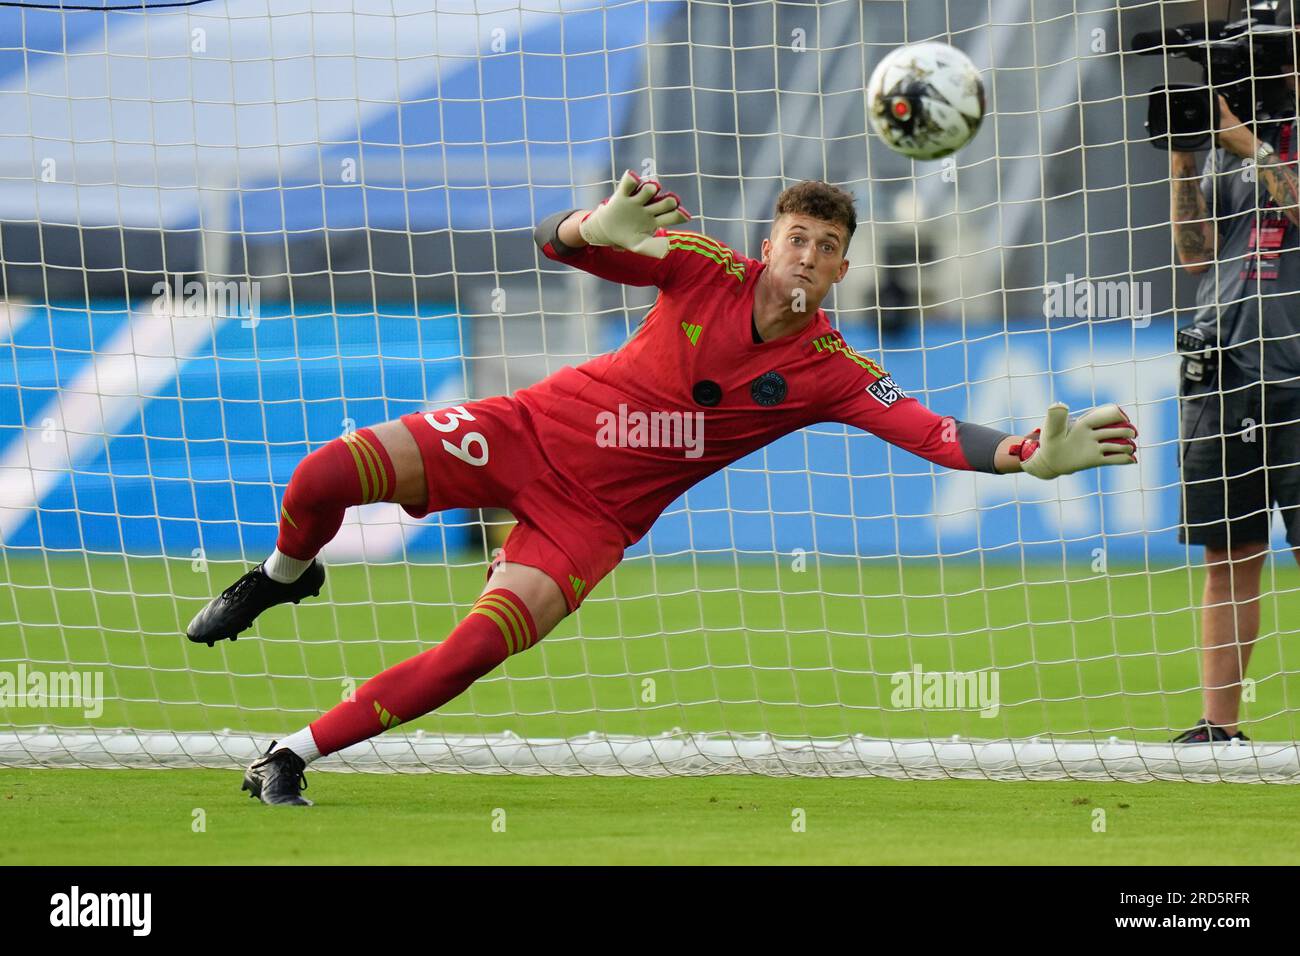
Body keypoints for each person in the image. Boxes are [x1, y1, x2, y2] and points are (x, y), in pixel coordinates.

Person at [186, 172, 1137, 804]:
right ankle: (282, 572)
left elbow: (929, 429)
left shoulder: (833, 368)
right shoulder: (700, 268)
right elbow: (563, 247)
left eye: (826, 246)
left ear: (843, 270)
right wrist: (586, 226)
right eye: (796, 237)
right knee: (323, 474)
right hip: (522, 433)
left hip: (591, 524)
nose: (807, 255)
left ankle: (288, 756)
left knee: (470, 652)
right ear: (770, 242)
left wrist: (1025, 455)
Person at [1169, 76, 1300, 744]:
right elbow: (1195, 256)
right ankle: (1218, 728)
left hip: (1297, 373)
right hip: (1224, 370)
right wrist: (1184, 158)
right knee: (1229, 552)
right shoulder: (1229, 142)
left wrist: (1246, 145)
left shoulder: (1252, 139)